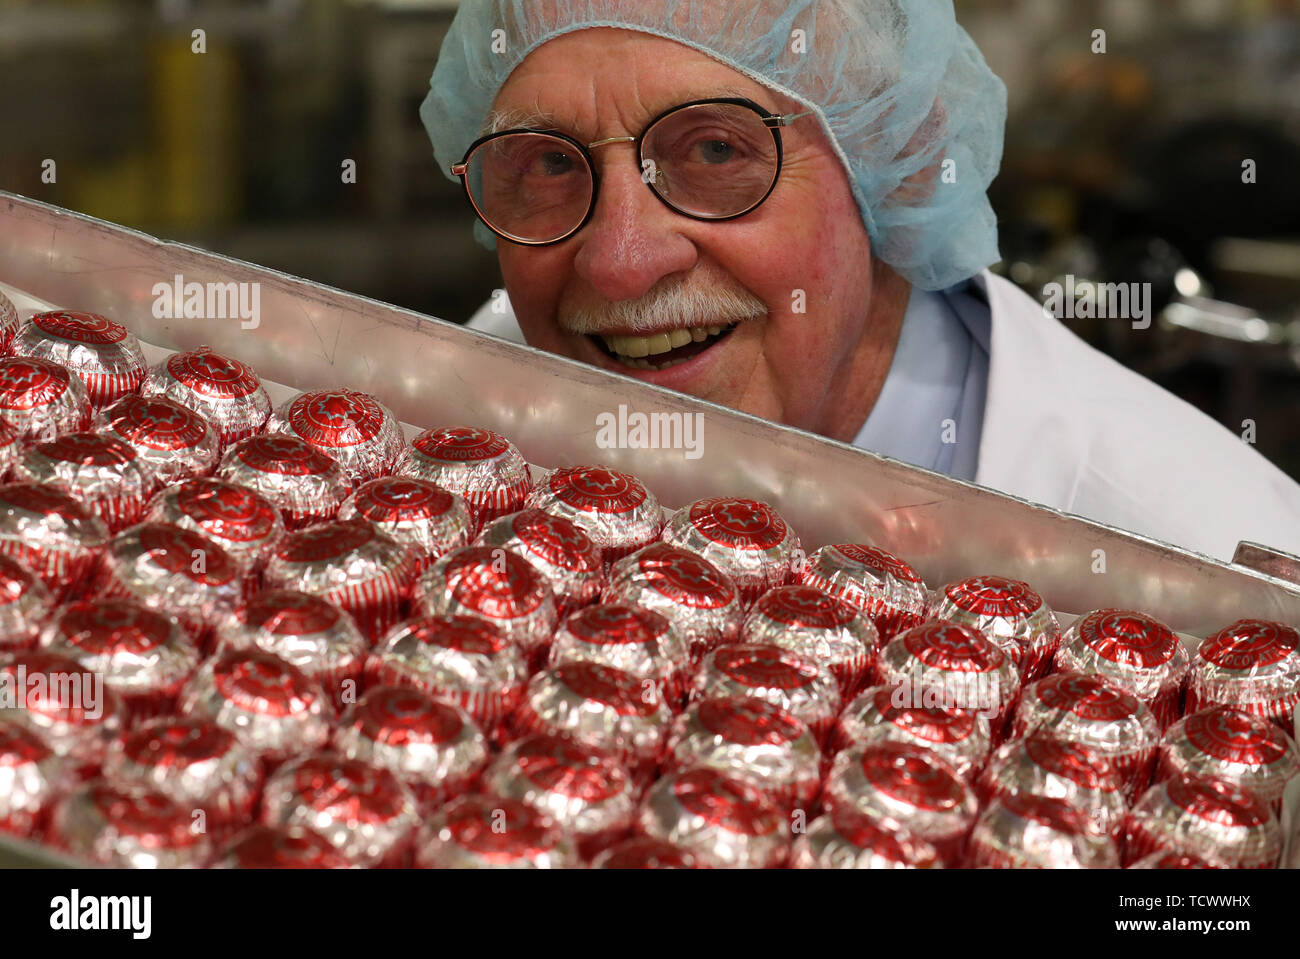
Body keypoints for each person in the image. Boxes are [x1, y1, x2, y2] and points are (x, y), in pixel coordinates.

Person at [420, 0, 1300, 563]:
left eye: (716, 151)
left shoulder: (1206, 545)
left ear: (901, 163)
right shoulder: (438, 427)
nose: (618, 261)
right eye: (547, 164)